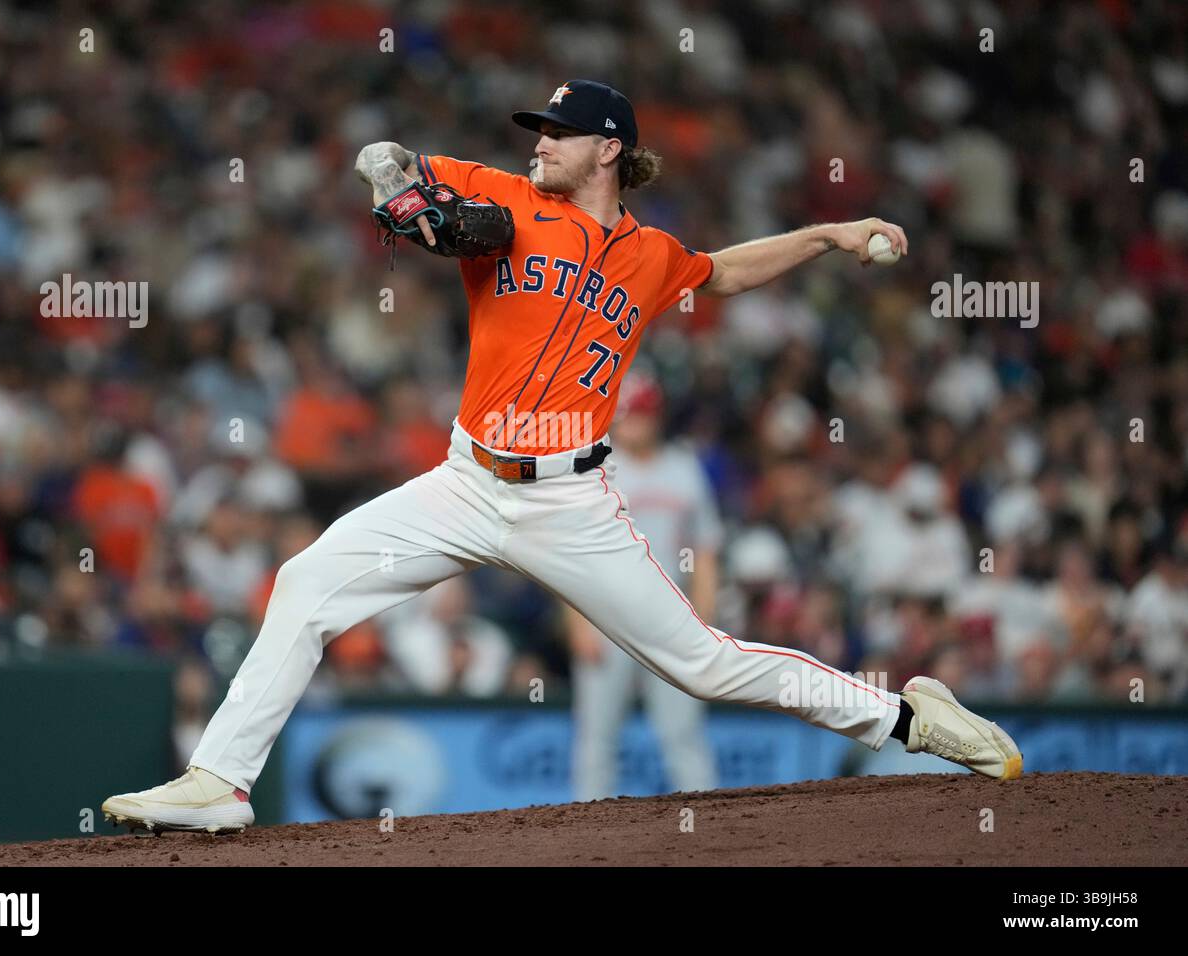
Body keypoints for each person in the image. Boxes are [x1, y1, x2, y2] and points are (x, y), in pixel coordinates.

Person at [103, 79, 1020, 834]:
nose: (540, 143)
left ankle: (909, 717)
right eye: (537, 131)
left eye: (559, 132)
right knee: (305, 582)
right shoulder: (503, 196)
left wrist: (827, 235)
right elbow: (391, 161)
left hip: (570, 501)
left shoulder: (650, 256)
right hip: (464, 482)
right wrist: (392, 183)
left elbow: (726, 270)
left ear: (608, 149)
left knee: (699, 663)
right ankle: (220, 783)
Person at [566, 372, 720, 801]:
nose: (633, 423)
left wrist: (704, 619)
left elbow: (705, 550)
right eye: (628, 415)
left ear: (657, 416)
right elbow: (568, 554)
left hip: (670, 616)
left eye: (641, 414)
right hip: (605, 616)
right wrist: (577, 623)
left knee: (683, 731)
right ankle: (588, 827)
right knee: (597, 734)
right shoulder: (594, 466)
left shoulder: (684, 468)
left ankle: (703, 819)